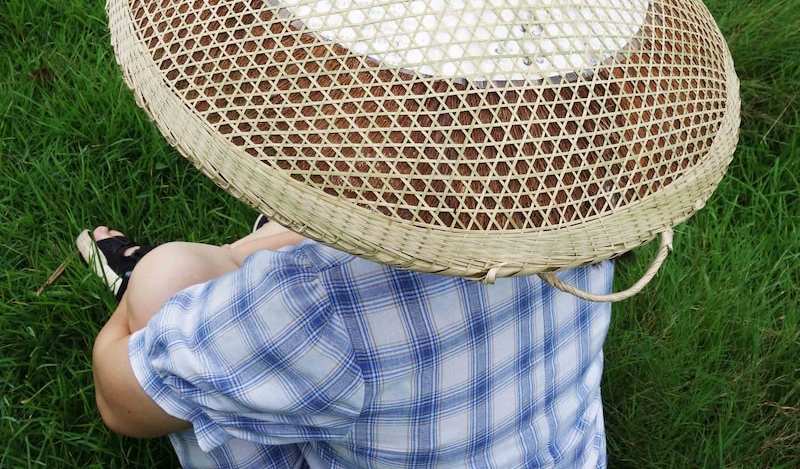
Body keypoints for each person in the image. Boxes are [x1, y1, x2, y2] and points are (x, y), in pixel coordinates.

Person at [81, 217, 614, 469]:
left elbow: (120, 399)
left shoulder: (323, 301)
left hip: (325, 325)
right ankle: (263, 249)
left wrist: (146, 295)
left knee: (168, 275)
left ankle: (161, 287)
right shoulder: (594, 220)